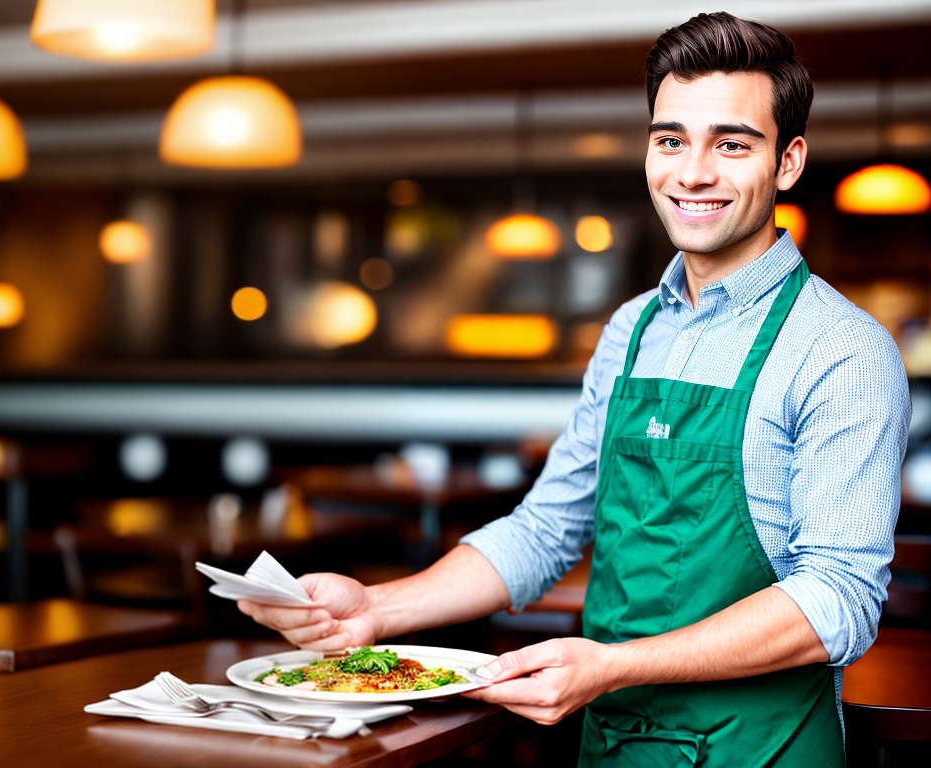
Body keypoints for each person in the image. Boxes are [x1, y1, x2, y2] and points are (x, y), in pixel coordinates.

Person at [239, 12, 909, 766]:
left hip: (758, 750)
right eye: (670, 140)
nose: (692, 172)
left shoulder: (841, 348)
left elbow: (839, 602)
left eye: (731, 143)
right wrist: (377, 607)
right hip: (616, 744)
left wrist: (615, 665)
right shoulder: (631, 331)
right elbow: (545, 528)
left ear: (787, 162)